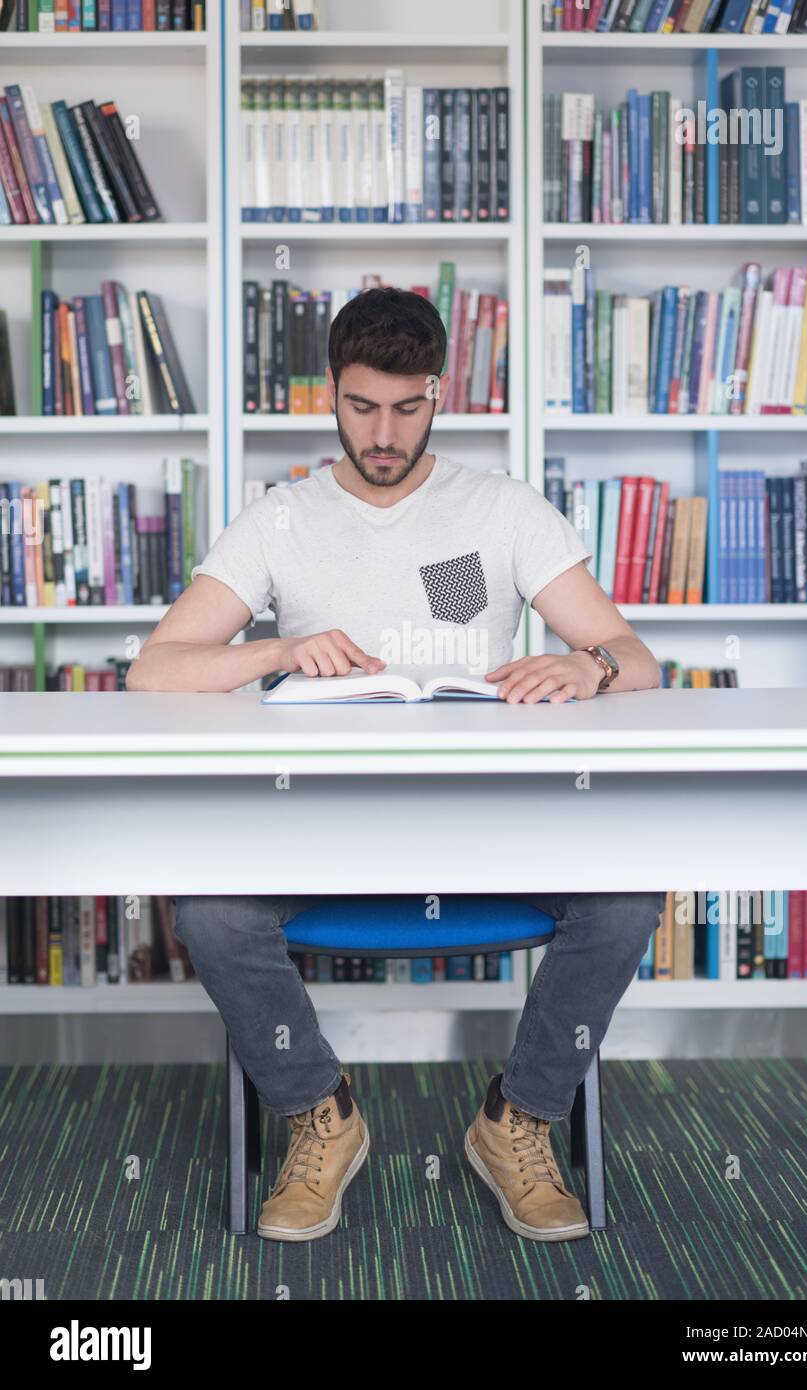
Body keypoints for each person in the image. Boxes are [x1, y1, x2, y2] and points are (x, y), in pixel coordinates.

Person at [127, 287, 666, 1244]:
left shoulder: (503, 511)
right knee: (209, 911)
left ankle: (521, 1120)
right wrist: (275, 651)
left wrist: (586, 663)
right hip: (321, 825)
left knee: (625, 897)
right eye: (361, 406)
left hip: (486, 823)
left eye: (407, 408)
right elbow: (153, 671)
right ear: (329, 394)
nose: (383, 434)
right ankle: (316, 1113)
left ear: (437, 393)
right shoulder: (280, 518)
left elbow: (638, 657)